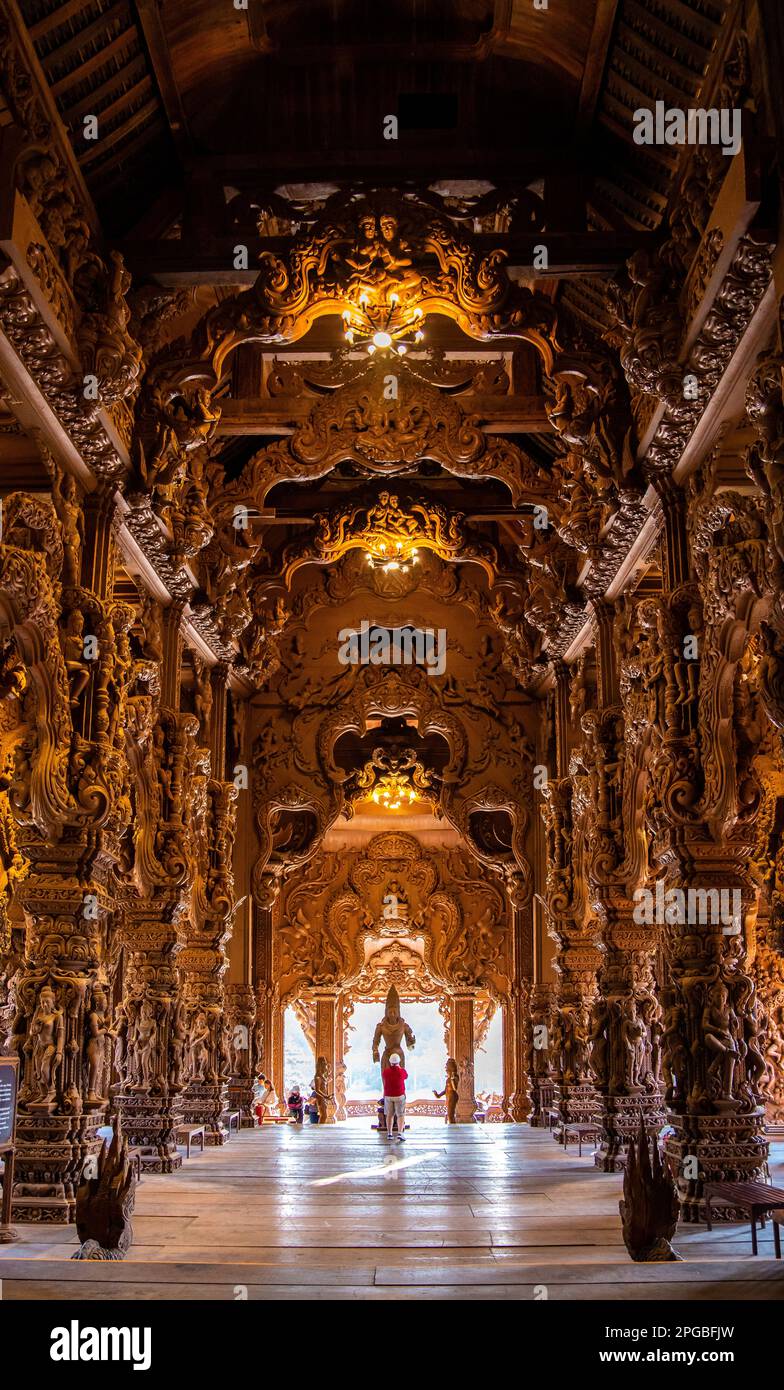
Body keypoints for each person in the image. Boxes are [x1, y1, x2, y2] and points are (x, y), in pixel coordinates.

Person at [381, 1052, 408, 1141]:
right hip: (399, 1095)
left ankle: (389, 1134)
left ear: (390, 1062)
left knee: (389, 1115)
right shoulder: (402, 1071)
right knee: (400, 1115)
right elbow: (406, 1076)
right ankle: (400, 1133)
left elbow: (385, 1077)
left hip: (388, 1096)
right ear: (398, 1062)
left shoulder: (386, 1072)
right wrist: (399, 1067)